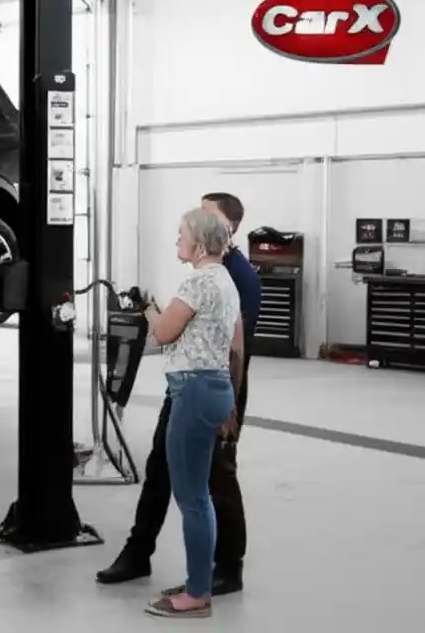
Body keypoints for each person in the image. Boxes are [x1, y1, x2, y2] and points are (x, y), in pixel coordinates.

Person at [96, 194, 260, 597]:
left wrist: (232, 403)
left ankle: (223, 570)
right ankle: (139, 552)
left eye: (207, 215)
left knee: (214, 482)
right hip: (193, 385)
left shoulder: (232, 275)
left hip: (211, 385)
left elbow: (236, 346)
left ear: (224, 228)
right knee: (160, 470)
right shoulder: (216, 273)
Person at [129, 208, 245, 618]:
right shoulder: (226, 282)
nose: (176, 241)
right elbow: (233, 345)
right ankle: (198, 581)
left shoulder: (198, 282)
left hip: (192, 391)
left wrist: (147, 308)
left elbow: (162, 333)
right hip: (213, 387)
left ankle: (197, 594)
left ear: (198, 245)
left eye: (181, 235)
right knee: (199, 496)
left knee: (193, 498)